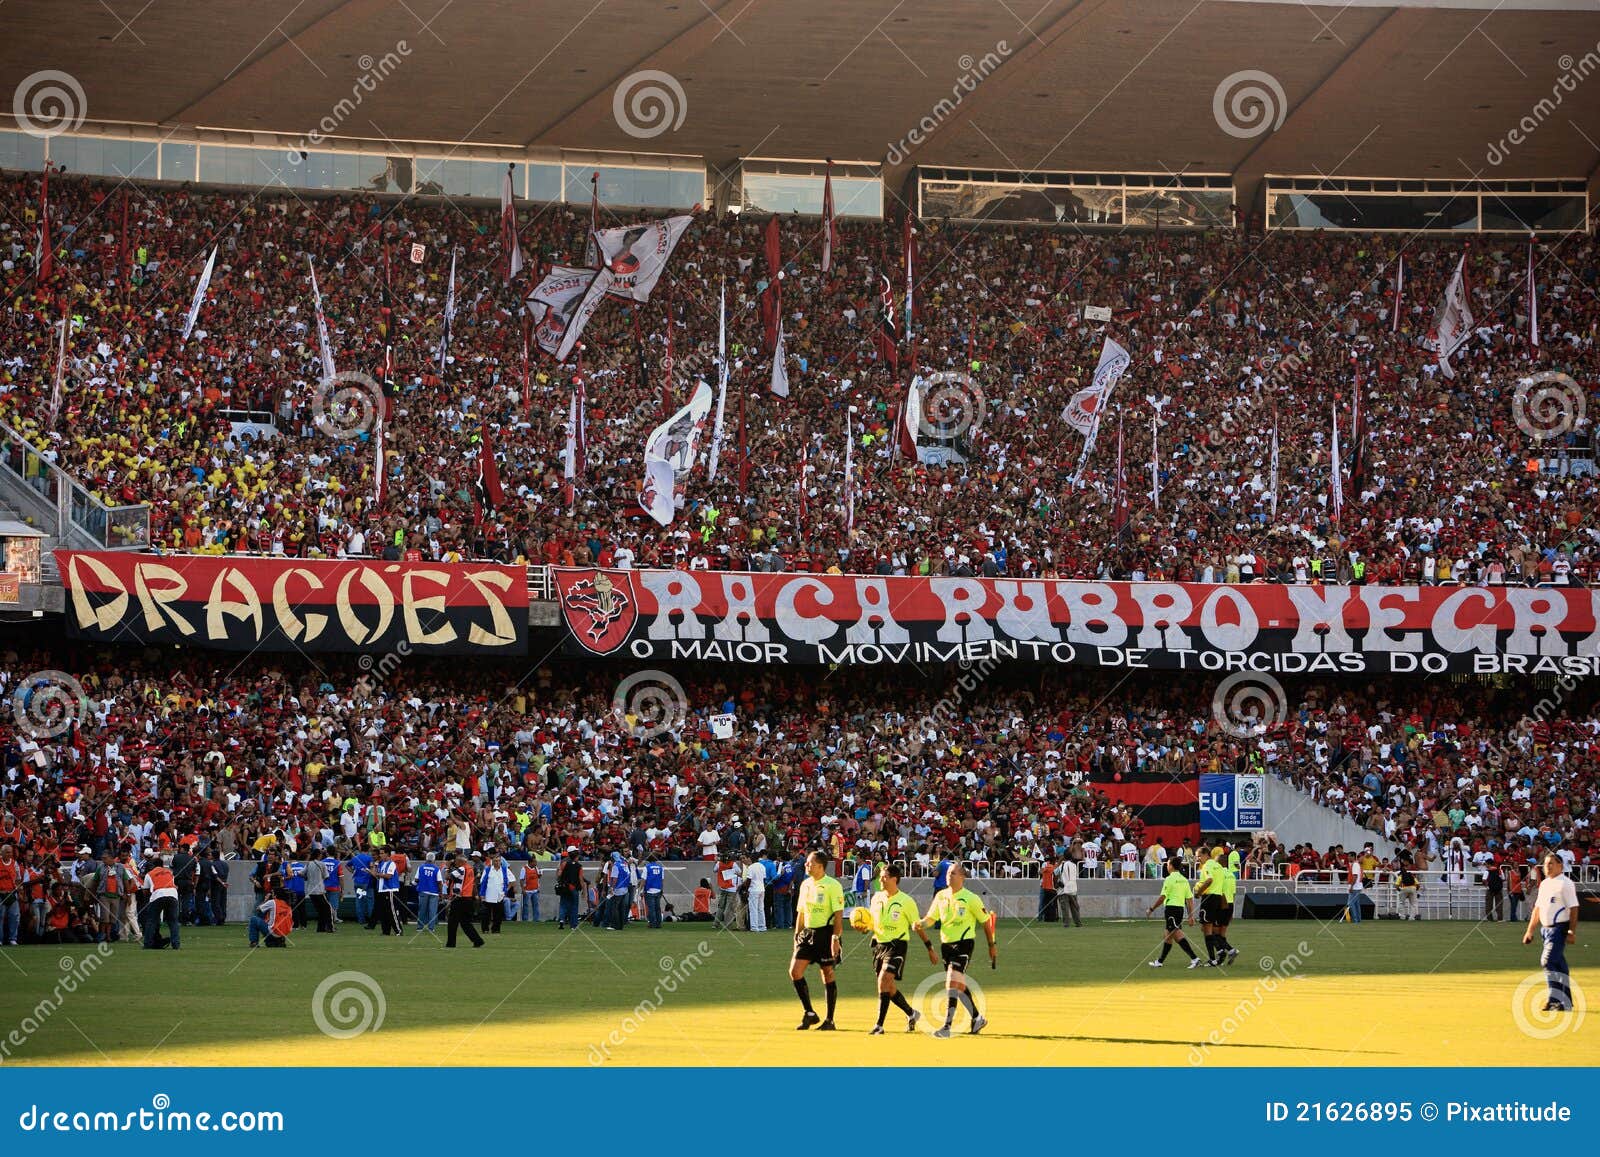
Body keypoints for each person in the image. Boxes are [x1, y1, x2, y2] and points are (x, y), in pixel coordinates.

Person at [917, 862, 996, 1037]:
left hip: (964, 944)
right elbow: (930, 919)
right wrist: (920, 924)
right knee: (958, 985)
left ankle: (946, 1026)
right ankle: (977, 1018)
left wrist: (992, 946)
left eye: (953, 873)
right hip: (946, 945)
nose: (948, 876)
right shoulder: (940, 896)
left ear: (962, 877)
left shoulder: (971, 898)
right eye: (948, 873)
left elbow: (985, 923)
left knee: (951, 981)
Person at [866, 864, 934, 1034]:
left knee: (883, 980)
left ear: (894, 879)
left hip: (897, 946)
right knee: (888, 986)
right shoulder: (876, 898)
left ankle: (879, 1025)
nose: (881, 879)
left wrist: (929, 947)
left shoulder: (906, 901)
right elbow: (872, 923)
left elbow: (917, 926)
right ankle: (911, 1014)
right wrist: (864, 927)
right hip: (879, 945)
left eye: (884, 876)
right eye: (880, 876)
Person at [789, 851, 844, 1031]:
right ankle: (810, 1013)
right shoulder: (805, 884)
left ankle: (830, 1020)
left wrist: (835, 938)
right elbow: (801, 912)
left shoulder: (832, 885)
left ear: (820, 866)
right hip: (807, 933)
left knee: (827, 972)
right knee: (795, 971)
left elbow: (838, 915)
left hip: (826, 934)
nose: (806, 865)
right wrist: (797, 937)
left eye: (809, 863)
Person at [1521, 853, 1580, 1013]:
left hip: (1558, 928)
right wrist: (1529, 931)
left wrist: (1571, 931)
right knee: (1559, 965)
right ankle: (1566, 1002)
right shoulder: (1545, 884)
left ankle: (1554, 1000)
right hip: (1545, 930)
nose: (1548, 867)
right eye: (1546, 864)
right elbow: (1538, 909)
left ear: (1560, 866)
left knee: (1547, 961)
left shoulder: (1565, 883)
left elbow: (1574, 908)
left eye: (1551, 864)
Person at [1146, 858, 1203, 968]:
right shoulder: (1184, 880)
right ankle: (1160, 961)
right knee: (1168, 936)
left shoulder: (1169, 879)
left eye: (1167, 864)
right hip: (1180, 909)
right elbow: (1190, 899)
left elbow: (1163, 897)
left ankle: (1195, 958)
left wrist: (1151, 909)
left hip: (1171, 909)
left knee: (1176, 934)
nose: (1167, 866)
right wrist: (1191, 915)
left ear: (1171, 866)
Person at [139, 852, 181, 950]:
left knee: (151, 921)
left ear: (153, 866)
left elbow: (145, 891)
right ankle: (176, 944)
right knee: (173, 921)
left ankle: (148, 944)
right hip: (172, 895)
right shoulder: (169, 872)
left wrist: (149, 900)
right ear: (162, 865)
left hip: (158, 895)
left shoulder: (149, 874)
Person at [445, 853, 485, 949]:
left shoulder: (462, 869)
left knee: (452, 922)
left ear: (460, 862)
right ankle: (477, 940)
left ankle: (451, 943)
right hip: (467, 898)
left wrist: (447, 868)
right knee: (465, 923)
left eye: (456, 861)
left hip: (459, 898)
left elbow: (448, 877)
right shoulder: (470, 869)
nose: (455, 862)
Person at [248, 883, 294, 948]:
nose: (271, 894)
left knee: (253, 919)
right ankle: (277, 940)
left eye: (272, 893)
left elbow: (258, 909)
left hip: (273, 931)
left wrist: (265, 900)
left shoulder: (272, 902)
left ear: (275, 895)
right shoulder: (288, 905)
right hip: (284, 932)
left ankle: (254, 942)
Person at [480, 850, 513, 934]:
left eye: (498, 861)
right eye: (495, 861)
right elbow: (483, 882)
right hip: (488, 895)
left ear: (501, 861)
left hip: (499, 895)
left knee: (498, 915)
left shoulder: (505, 870)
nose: (497, 862)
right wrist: (482, 894)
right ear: (492, 861)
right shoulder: (487, 870)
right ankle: (485, 929)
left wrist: (505, 891)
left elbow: (512, 881)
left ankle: (496, 929)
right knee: (485, 914)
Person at [374, 847, 401, 935]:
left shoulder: (391, 864)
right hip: (381, 890)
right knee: (383, 912)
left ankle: (398, 930)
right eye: (380, 853)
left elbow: (388, 876)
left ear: (387, 854)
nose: (380, 855)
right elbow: (377, 875)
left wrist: (377, 874)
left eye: (382, 853)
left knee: (392, 911)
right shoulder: (381, 864)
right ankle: (385, 931)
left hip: (390, 890)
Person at [305, 851, 334, 933]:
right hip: (319, 890)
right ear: (319, 855)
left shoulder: (308, 864)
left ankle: (320, 928)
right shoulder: (321, 864)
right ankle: (330, 927)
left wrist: (308, 877)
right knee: (327, 908)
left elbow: (301, 873)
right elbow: (326, 876)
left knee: (320, 910)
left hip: (310, 891)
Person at [415, 852, 443, 932]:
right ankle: (431, 928)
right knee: (432, 911)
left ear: (426, 858)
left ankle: (420, 927)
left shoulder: (421, 867)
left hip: (423, 890)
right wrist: (440, 893)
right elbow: (439, 882)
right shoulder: (436, 869)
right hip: (434, 892)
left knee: (422, 910)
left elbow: (416, 879)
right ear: (434, 859)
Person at [556, 847, 583, 931]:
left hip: (565, 887)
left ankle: (561, 919)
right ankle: (573, 925)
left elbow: (559, 875)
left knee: (563, 904)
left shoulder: (563, 863)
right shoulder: (579, 865)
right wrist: (582, 888)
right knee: (574, 906)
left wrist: (561, 880)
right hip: (574, 887)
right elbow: (580, 878)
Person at [0, 844, 19, 946]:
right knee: (0, 917)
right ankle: (0, 939)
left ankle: (13, 938)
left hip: (11, 893)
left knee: (14, 917)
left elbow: (18, 877)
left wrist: (17, 887)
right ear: (1, 852)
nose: (9, 854)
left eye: (10, 852)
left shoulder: (14, 863)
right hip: (1, 893)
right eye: (7, 852)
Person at [743, 852, 767, 932]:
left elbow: (749, 880)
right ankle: (762, 926)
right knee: (760, 908)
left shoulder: (751, 867)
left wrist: (746, 890)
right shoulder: (762, 866)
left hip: (753, 889)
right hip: (761, 889)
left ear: (751, 858)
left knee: (753, 909)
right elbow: (764, 879)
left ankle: (754, 927)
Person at [1058, 853, 1082, 928]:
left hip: (1064, 889)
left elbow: (1055, 873)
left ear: (1064, 857)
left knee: (1065, 908)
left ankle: (1066, 924)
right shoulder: (1074, 865)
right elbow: (1076, 876)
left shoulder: (1062, 865)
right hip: (1073, 888)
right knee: (1075, 908)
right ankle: (1078, 923)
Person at [643, 854, 664, 928]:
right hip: (658, 889)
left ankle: (652, 923)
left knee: (651, 908)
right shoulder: (661, 867)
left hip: (649, 889)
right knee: (657, 908)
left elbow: (644, 880)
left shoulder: (647, 867)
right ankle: (658, 923)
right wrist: (662, 889)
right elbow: (662, 879)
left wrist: (640, 889)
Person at [520, 859, 542, 924]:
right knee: (526, 905)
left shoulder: (536, 868)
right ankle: (525, 919)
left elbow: (538, 877)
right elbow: (521, 880)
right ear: (530, 862)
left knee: (536, 904)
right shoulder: (524, 869)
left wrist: (540, 875)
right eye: (535, 862)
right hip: (527, 890)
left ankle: (536, 919)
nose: (536, 863)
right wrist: (523, 889)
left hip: (535, 890)